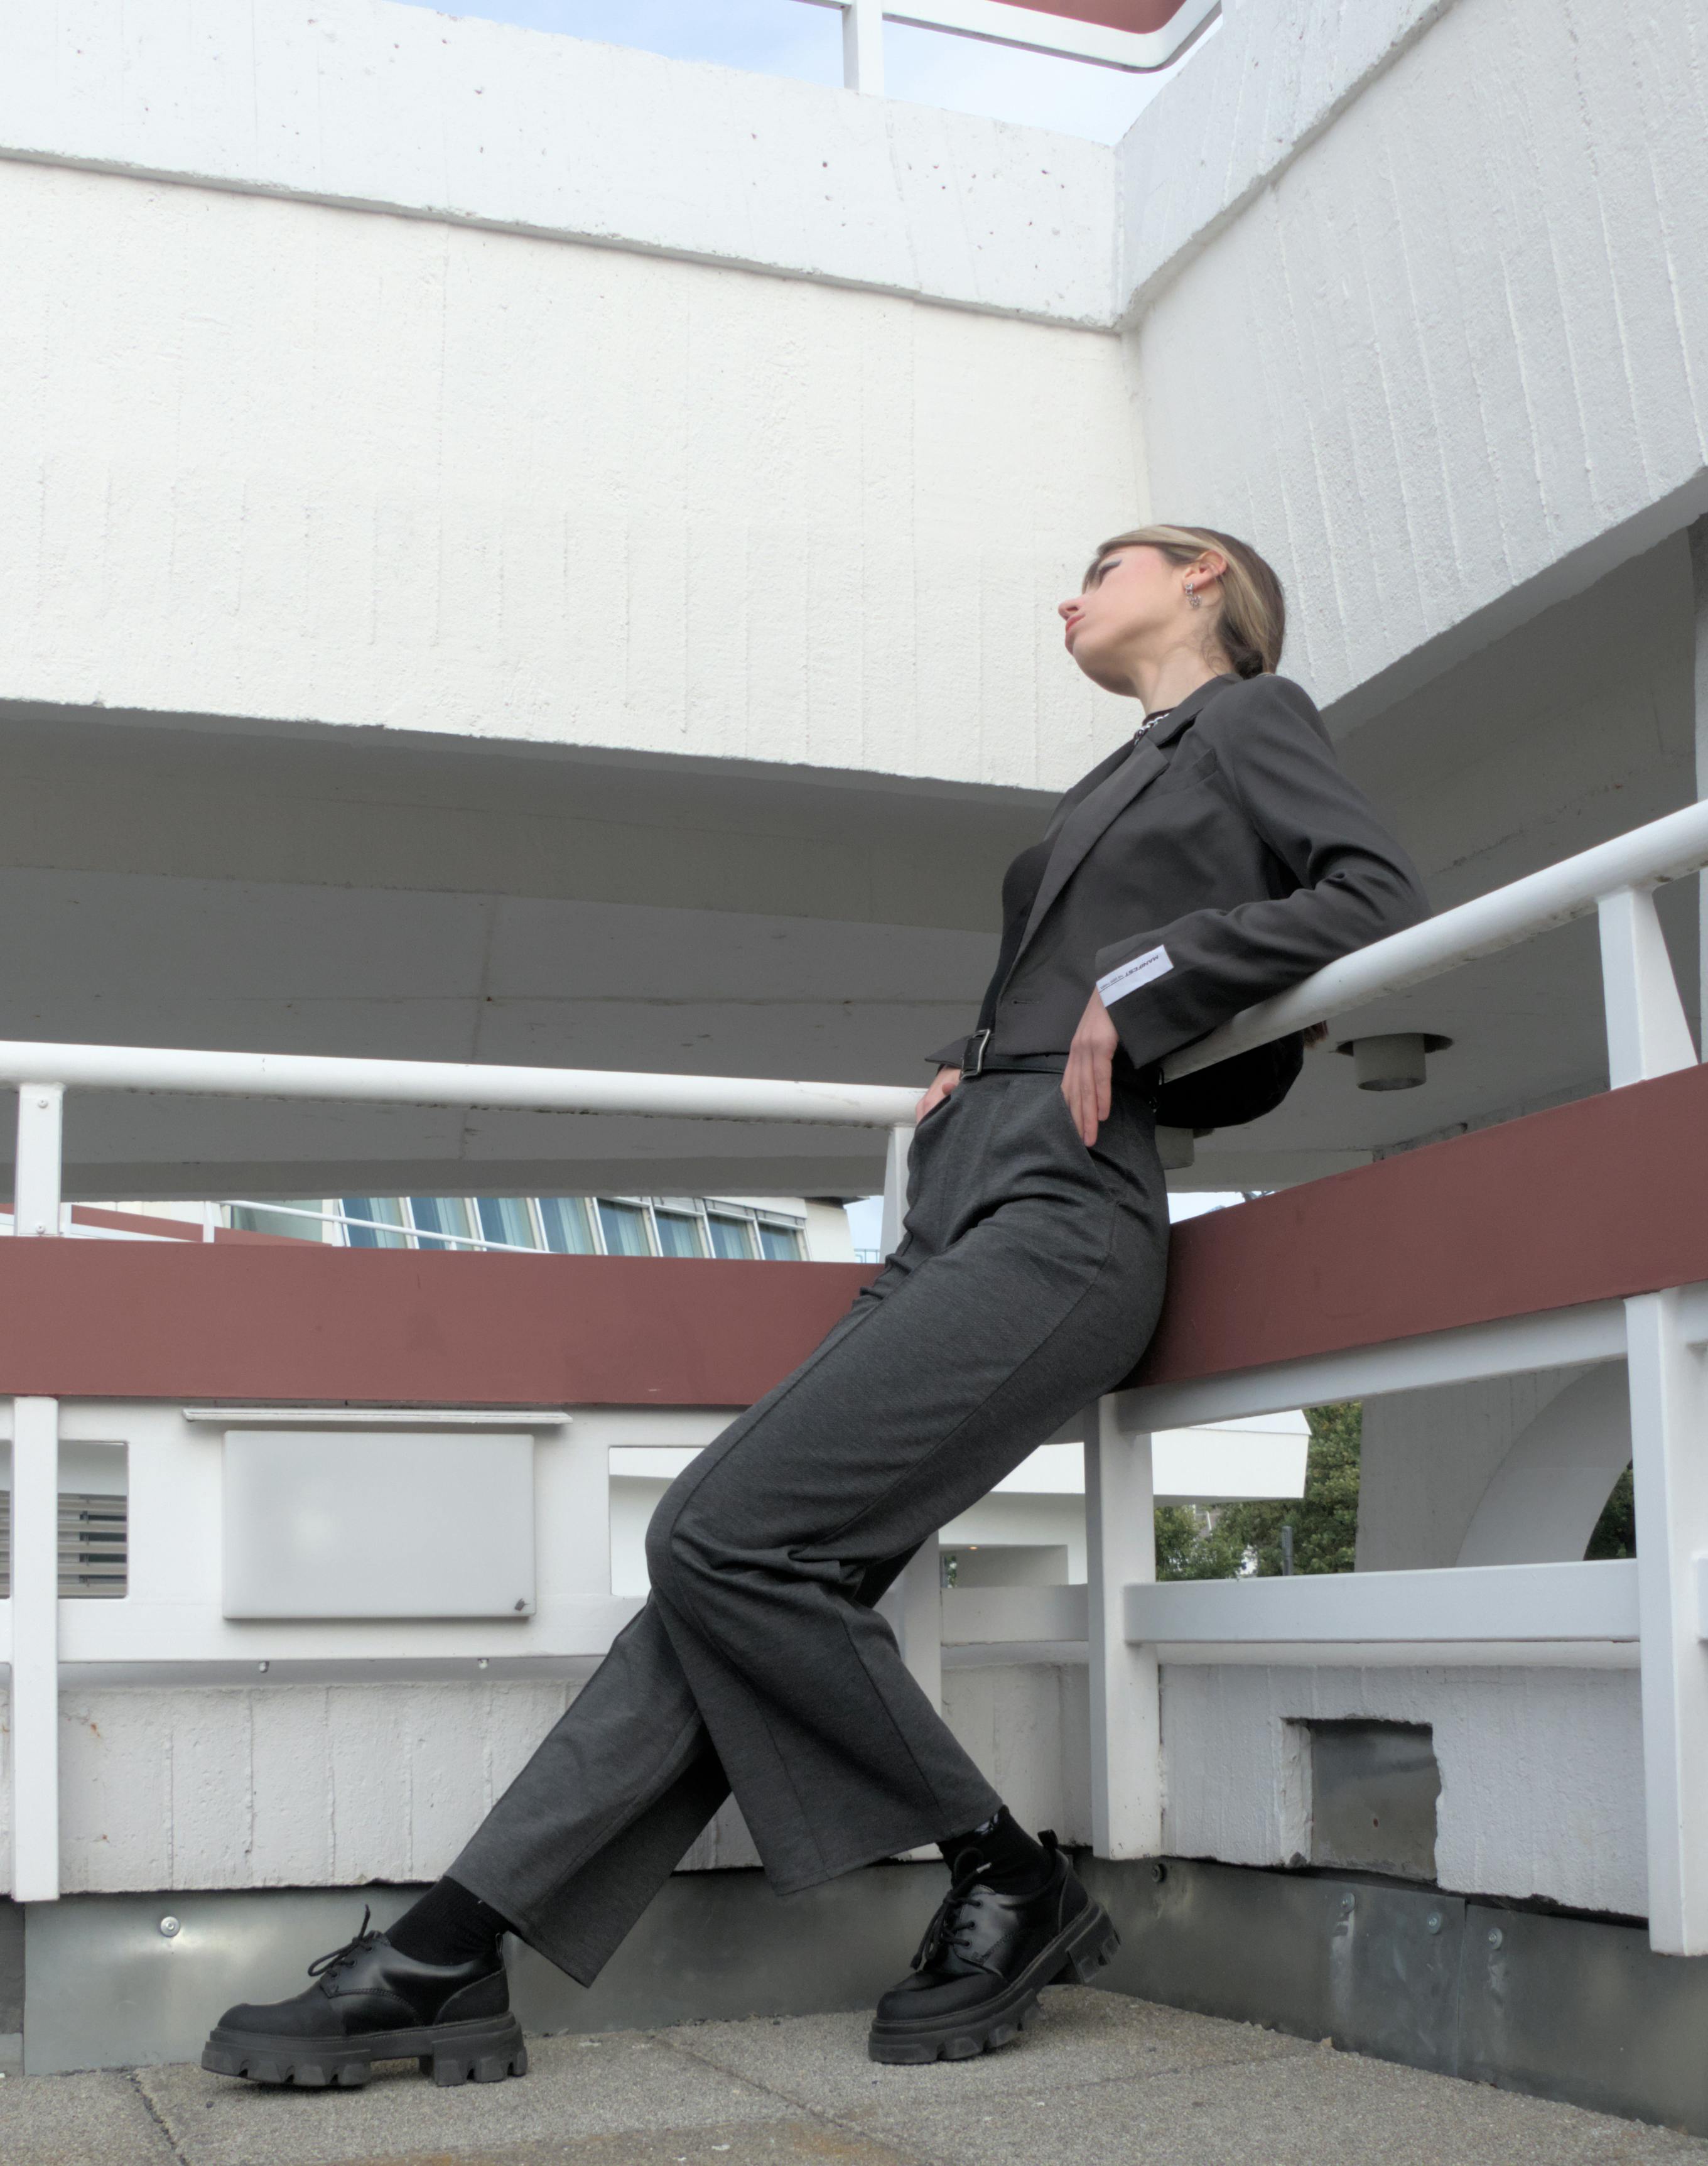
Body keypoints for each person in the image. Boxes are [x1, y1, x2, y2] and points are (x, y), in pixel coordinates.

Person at [202, 524, 1430, 2087]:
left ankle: (1005, 1870)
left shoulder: (1250, 717)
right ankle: (450, 1953)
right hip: (962, 1193)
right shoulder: (1124, 773)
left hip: (1064, 1218)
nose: (1066, 592)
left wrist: (1151, 987)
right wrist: (971, 1051)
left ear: (1203, 578)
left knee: (714, 1539)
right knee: (732, 1597)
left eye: (1102, 564)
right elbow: (1073, 976)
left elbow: (1369, 891)